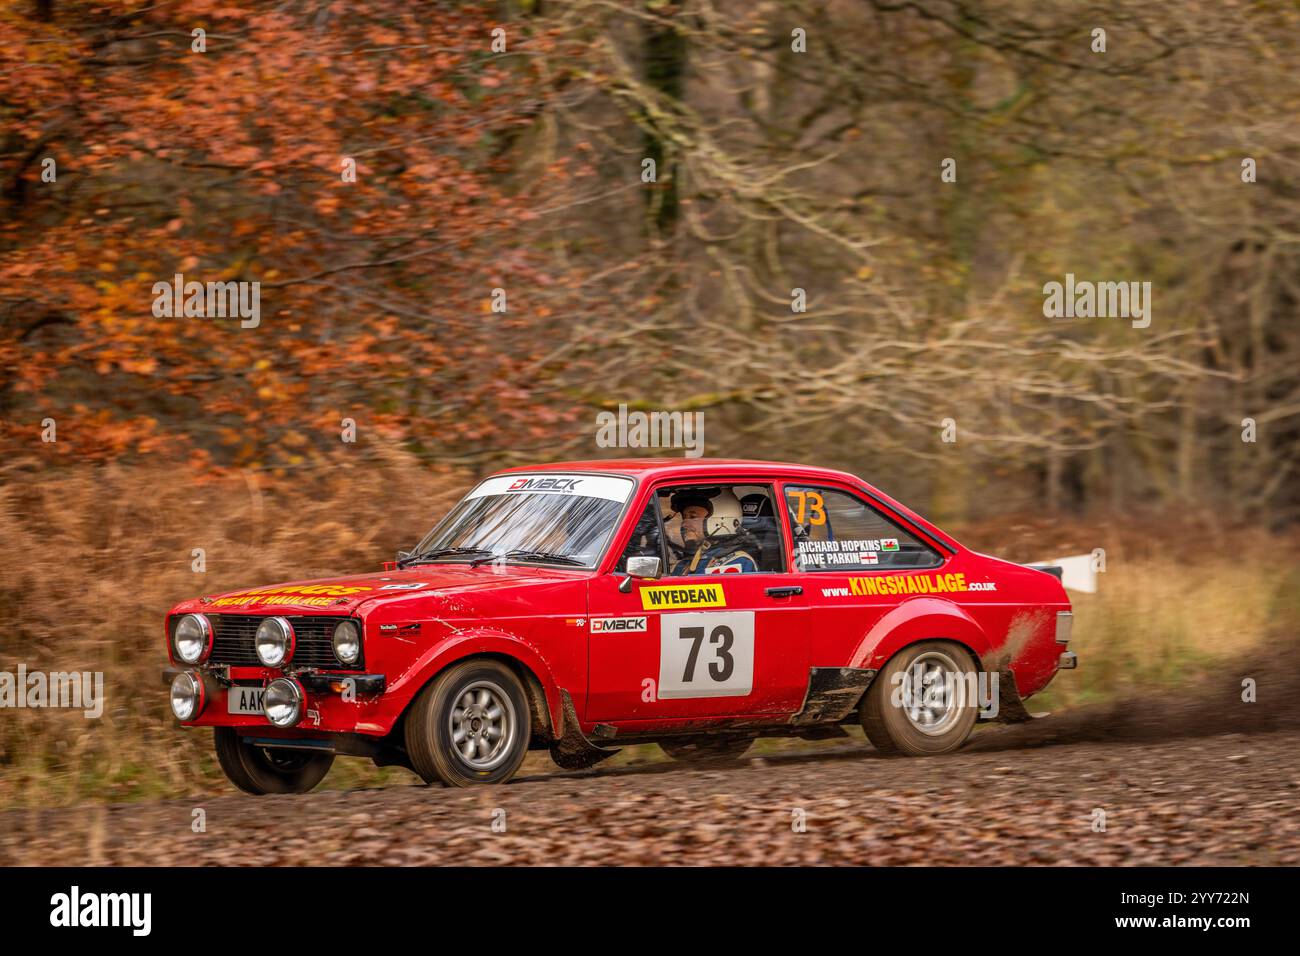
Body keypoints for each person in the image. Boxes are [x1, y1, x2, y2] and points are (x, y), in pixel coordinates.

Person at [666, 489, 761, 575]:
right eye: (684, 517)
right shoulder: (684, 564)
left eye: (693, 517)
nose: (684, 524)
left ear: (721, 520)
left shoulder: (736, 563)